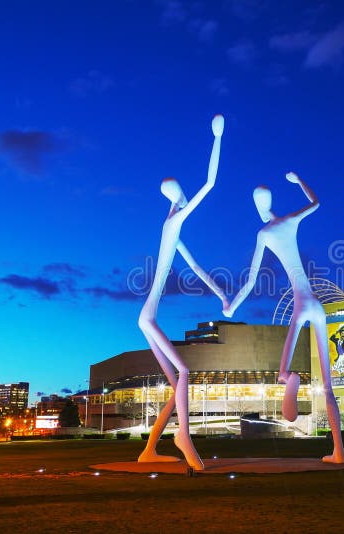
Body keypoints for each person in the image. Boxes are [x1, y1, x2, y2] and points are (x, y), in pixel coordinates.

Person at [224, 171, 344, 464]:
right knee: (328, 386)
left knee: (282, 372)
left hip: (301, 304)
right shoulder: (290, 220)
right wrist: (299, 180)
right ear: (272, 200)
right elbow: (316, 202)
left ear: (257, 206)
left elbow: (252, 280)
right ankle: (339, 452)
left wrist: (232, 306)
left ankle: (289, 378)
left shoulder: (264, 234)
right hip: (317, 304)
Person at [136, 115, 227, 471]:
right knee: (185, 374)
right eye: (179, 193)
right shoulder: (173, 221)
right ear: (176, 197)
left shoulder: (172, 227)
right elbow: (210, 183)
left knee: (177, 388)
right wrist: (217, 137)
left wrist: (220, 292)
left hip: (147, 316)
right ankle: (183, 436)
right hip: (147, 317)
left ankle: (148, 450)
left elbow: (195, 266)